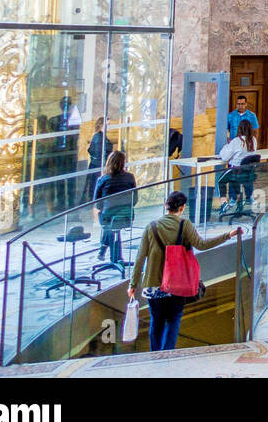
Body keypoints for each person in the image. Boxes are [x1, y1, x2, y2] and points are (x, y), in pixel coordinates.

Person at [128, 191, 238, 351]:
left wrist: (132, 284)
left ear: (166, 205)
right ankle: (167, 356)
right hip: (177, 286)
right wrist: (227, 235)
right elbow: (202, 244)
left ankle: (154, 356)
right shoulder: (184, 225)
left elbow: (139, 259)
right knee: (173, 320)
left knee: (156, 321)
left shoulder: (150, 227)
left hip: (153, 286)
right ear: (182, 207)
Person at [92, 150, 137, 263]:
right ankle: (114, 257)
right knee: (112, 227)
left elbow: (97, 203)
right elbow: (134, 200)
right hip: (127, 215)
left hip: (109, 216)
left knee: (108, 225)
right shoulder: (130, 177)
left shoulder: (103, 179)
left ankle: (103, 251)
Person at [83, 116, 112, 203]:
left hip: (97, 165)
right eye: (108, 124)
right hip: (98, 165)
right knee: (95, 187)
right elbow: (98, 153)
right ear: (102, 125)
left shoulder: (99, 136)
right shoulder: (99, 137)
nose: (109, 127)